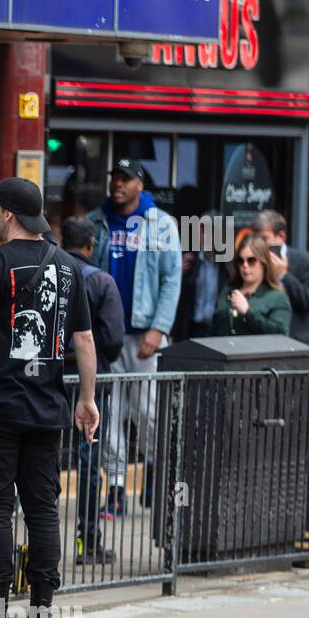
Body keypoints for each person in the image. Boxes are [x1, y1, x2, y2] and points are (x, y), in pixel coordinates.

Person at [0, 178, 100, 618]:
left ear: (8, 214)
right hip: (48, 406)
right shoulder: (68, 269)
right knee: (43, 508)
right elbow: (83, 339)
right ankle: (42, 615)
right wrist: (87, 398)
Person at [87, 158, 182, 515]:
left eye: (125, 179)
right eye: (115, 178)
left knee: (148, 413)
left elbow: (172, 279)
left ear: (140, 184)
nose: (118, 185)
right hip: (107, 336)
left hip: (145, 335)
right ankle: (115, 487)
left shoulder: (162, 224)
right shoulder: (98, 221)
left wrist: (159, 328)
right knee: (108, 415)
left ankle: (155, 475)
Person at [61, 216, 124, 565]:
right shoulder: (101, 281)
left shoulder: (48, 274)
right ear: (91, 245)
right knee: (88, 461)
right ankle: (88, 540)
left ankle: (38, 543)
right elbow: (114, 341)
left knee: (47, 457)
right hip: (91, 384)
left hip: (49, 379)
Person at [252, 209, 309, 348]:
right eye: (255, 239)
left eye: (264, 238)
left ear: (280, 236)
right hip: (264, 342)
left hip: (299, 342)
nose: (258, 245)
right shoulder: (252, 262)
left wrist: (284, 276)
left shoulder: (306, 262)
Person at [210, 234, 292, 336]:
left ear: (263, 262)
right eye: (241, 260)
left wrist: (247, 312)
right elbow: (214, 329)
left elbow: (280, 333)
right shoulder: (227, 291)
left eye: (251, 260)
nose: (245, 266)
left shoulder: (277, 297)